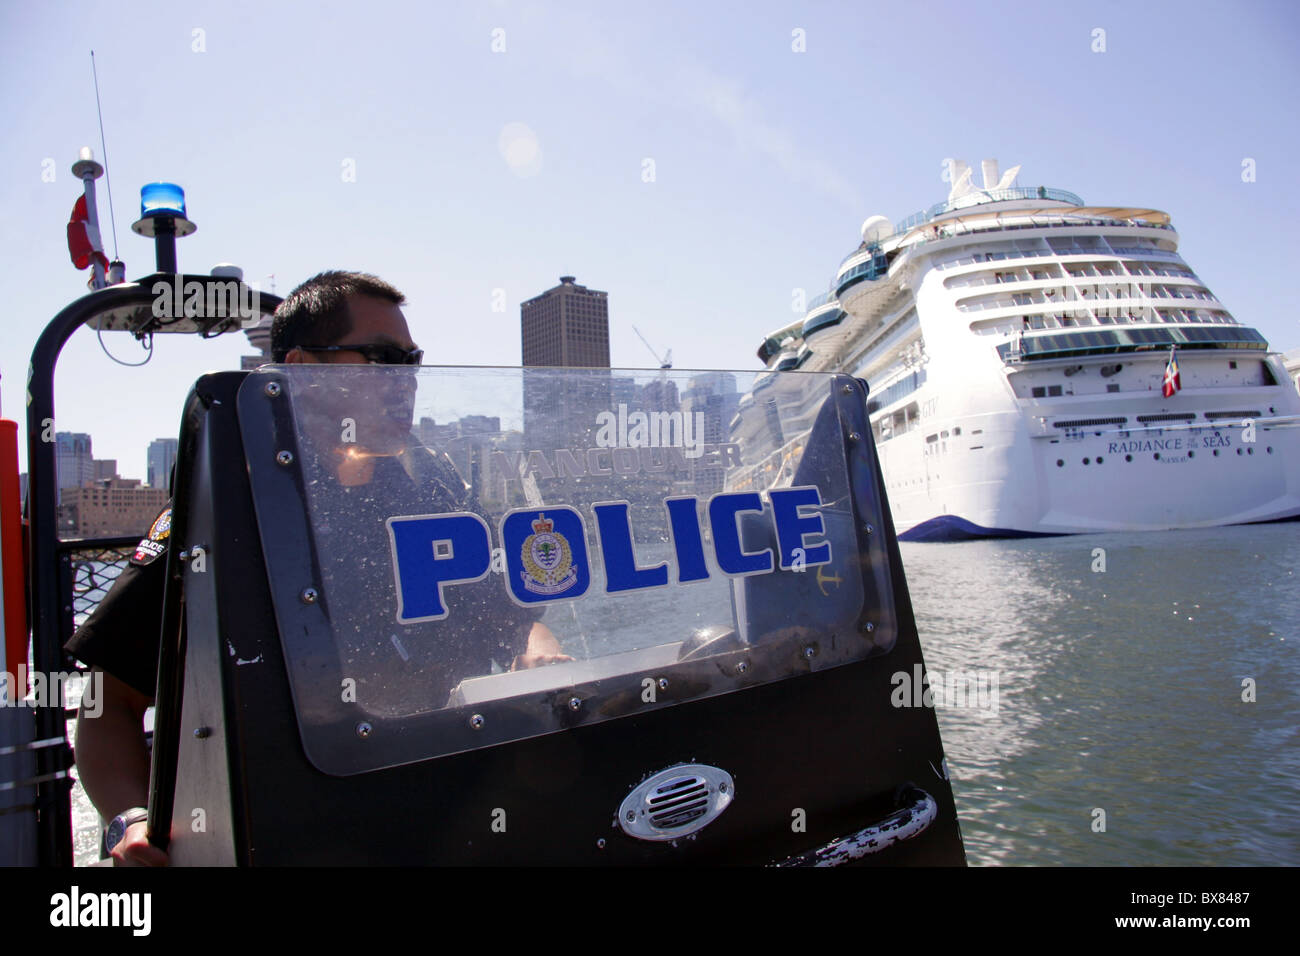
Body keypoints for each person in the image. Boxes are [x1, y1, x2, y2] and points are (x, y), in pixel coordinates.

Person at [65, 271, 569, 865]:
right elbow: (107, 704)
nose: (404, 379)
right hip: (298, 827)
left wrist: (543, 653)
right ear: (301, 369)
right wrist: (131, 819)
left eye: (411, 360)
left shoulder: (434, 487)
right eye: (381, 357)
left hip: (456, 799)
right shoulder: (233, 503)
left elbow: (511, 617)